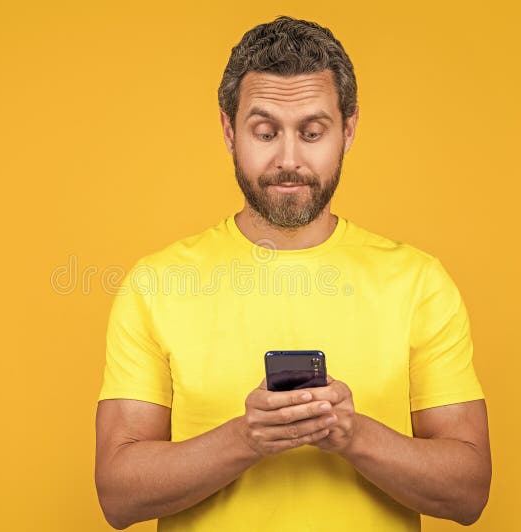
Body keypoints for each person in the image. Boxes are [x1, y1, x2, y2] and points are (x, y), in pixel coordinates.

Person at [94, 15, 491, 532]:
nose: (288, 159)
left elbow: (469, 494)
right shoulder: (155, 285)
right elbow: (117, 497)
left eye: (311, 132)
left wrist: (351, 433)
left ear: (347, 131)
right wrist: (247, 438)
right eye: (264, 131)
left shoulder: (419, 283)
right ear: (227, 131)